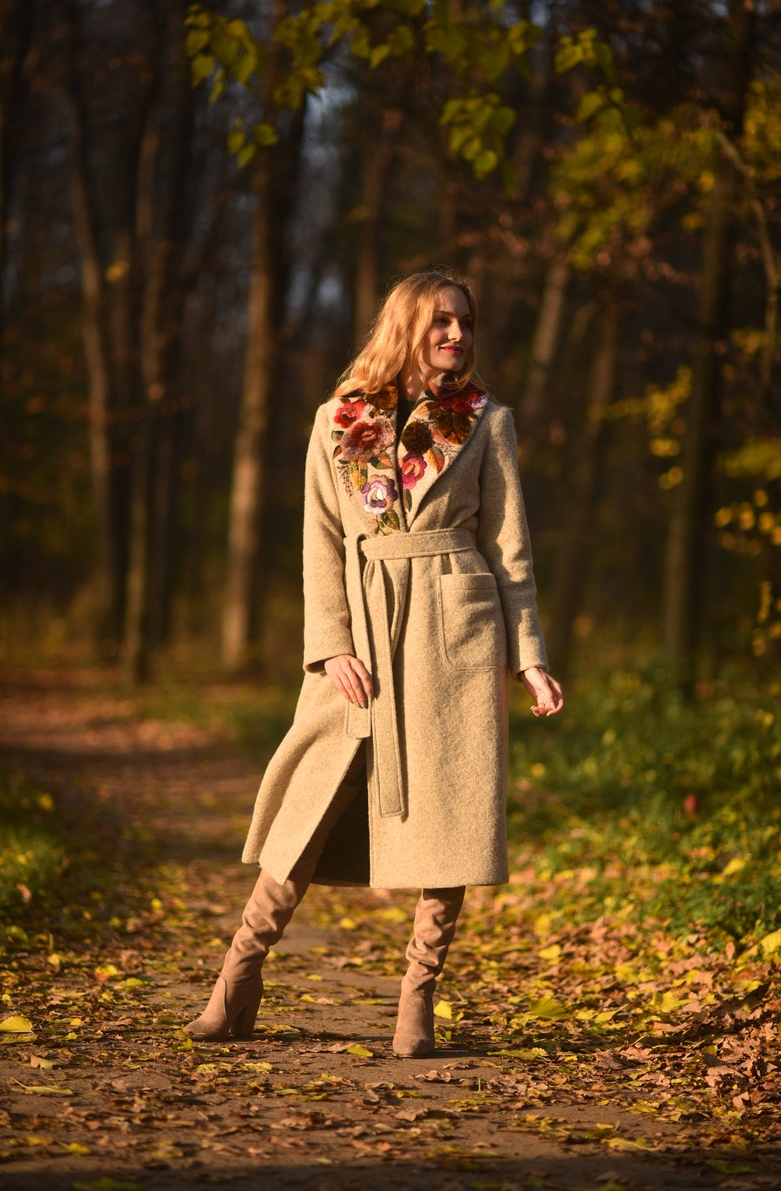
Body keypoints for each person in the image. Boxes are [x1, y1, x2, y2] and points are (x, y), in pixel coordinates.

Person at [184, 267, 564, 1056]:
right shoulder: (338, 419)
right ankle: (239, 975)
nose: (457, 335)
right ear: (407, 327)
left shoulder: (487, 423)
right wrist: (329, 646)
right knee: (313, 798)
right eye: (441, 322)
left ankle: (416, 1001)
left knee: (452, 808)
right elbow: (320, 539)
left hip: (457, 628)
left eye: (465, 322)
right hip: (360, 622)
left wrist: (529, 656)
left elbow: (510, 548)